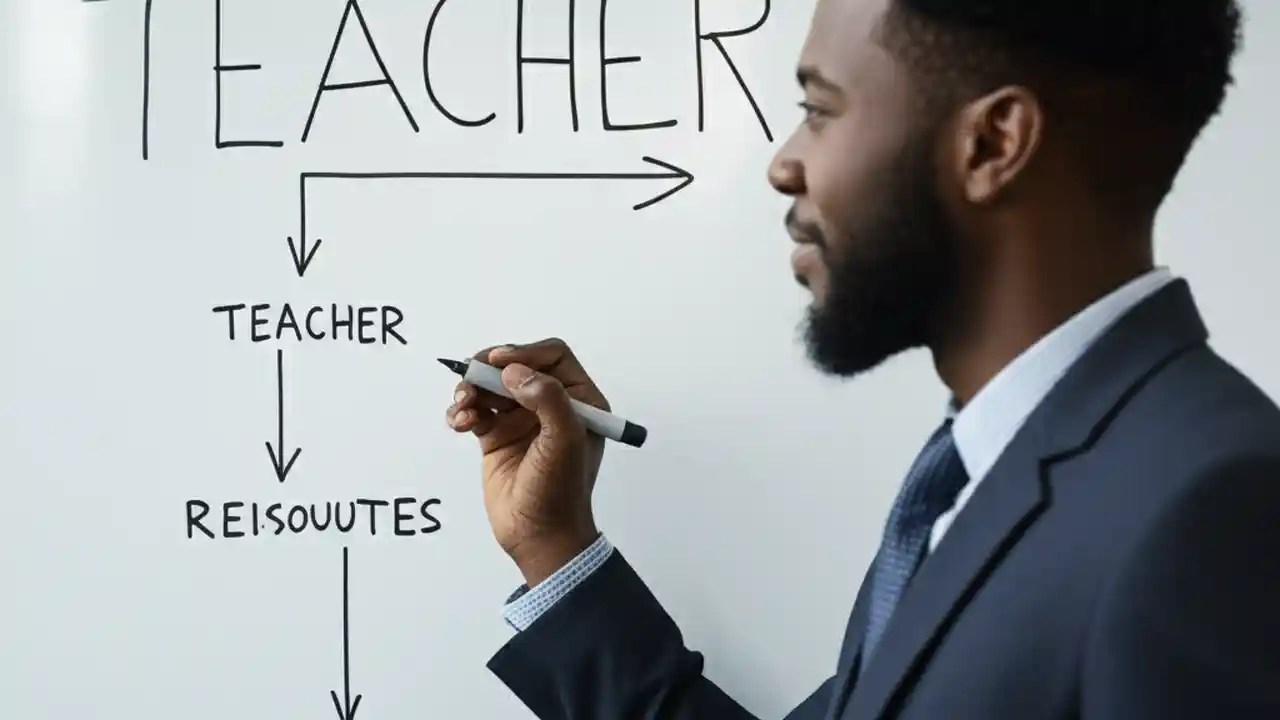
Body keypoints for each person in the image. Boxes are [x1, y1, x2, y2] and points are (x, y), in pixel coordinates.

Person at [445, 0, 1280, 717]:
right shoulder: (980, 479)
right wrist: (555, 546)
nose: (783, 165)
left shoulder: (1211, 509)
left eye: (820, 108)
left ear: (992, 144)